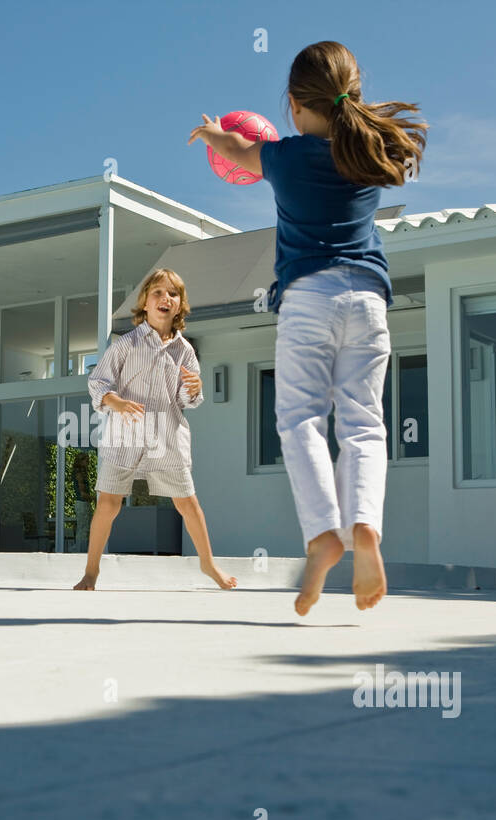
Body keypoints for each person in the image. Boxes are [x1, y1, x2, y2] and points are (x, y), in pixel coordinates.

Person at [188, 40, 426, 614]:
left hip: (308, 298)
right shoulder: (369, 152)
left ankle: (323, 533)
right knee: (364, 424)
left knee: (300, 420)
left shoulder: (286, 156)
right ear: (352, 97)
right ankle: (364, 526)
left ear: (294, 106)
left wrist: (214, 135)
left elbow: (239, 150)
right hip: (368, 300)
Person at [74, 269, 238, 591]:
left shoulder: (185, 351)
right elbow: (98, 382)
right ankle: (91, 572)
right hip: (124, 436)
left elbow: (186, 400)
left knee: (187, 502)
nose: (166, 298)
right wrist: (116, 402)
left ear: (180, 306)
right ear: (145, 303)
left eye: (173, 294)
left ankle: (208, 564)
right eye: (158, 293)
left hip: (167, 436)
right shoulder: (126, 344)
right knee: (108, 502)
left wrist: (194, 388)